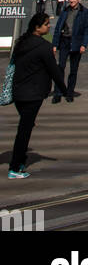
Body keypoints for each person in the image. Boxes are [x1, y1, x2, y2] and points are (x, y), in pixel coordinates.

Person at [8, 12, 69, 178]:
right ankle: (14, 168)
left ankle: (20, 161)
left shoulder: (21, 42)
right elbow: (54, 71)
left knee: (26, 126)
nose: (49, 26)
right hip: (33, 94)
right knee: (24, 131)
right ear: (37, 27)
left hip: (18, 92)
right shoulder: (44, 47)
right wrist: (64, 91)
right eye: (47, 24)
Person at [51, 0, 88, 102]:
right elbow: (58, 27)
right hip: (64, 41)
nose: (71, 0)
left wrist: (84, 44)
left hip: (77, 43)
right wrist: (55, 44)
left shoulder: (84, 12)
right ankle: (58, 93)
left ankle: (69, 93)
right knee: (61, 67)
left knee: (73, 70)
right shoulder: (65, 10)